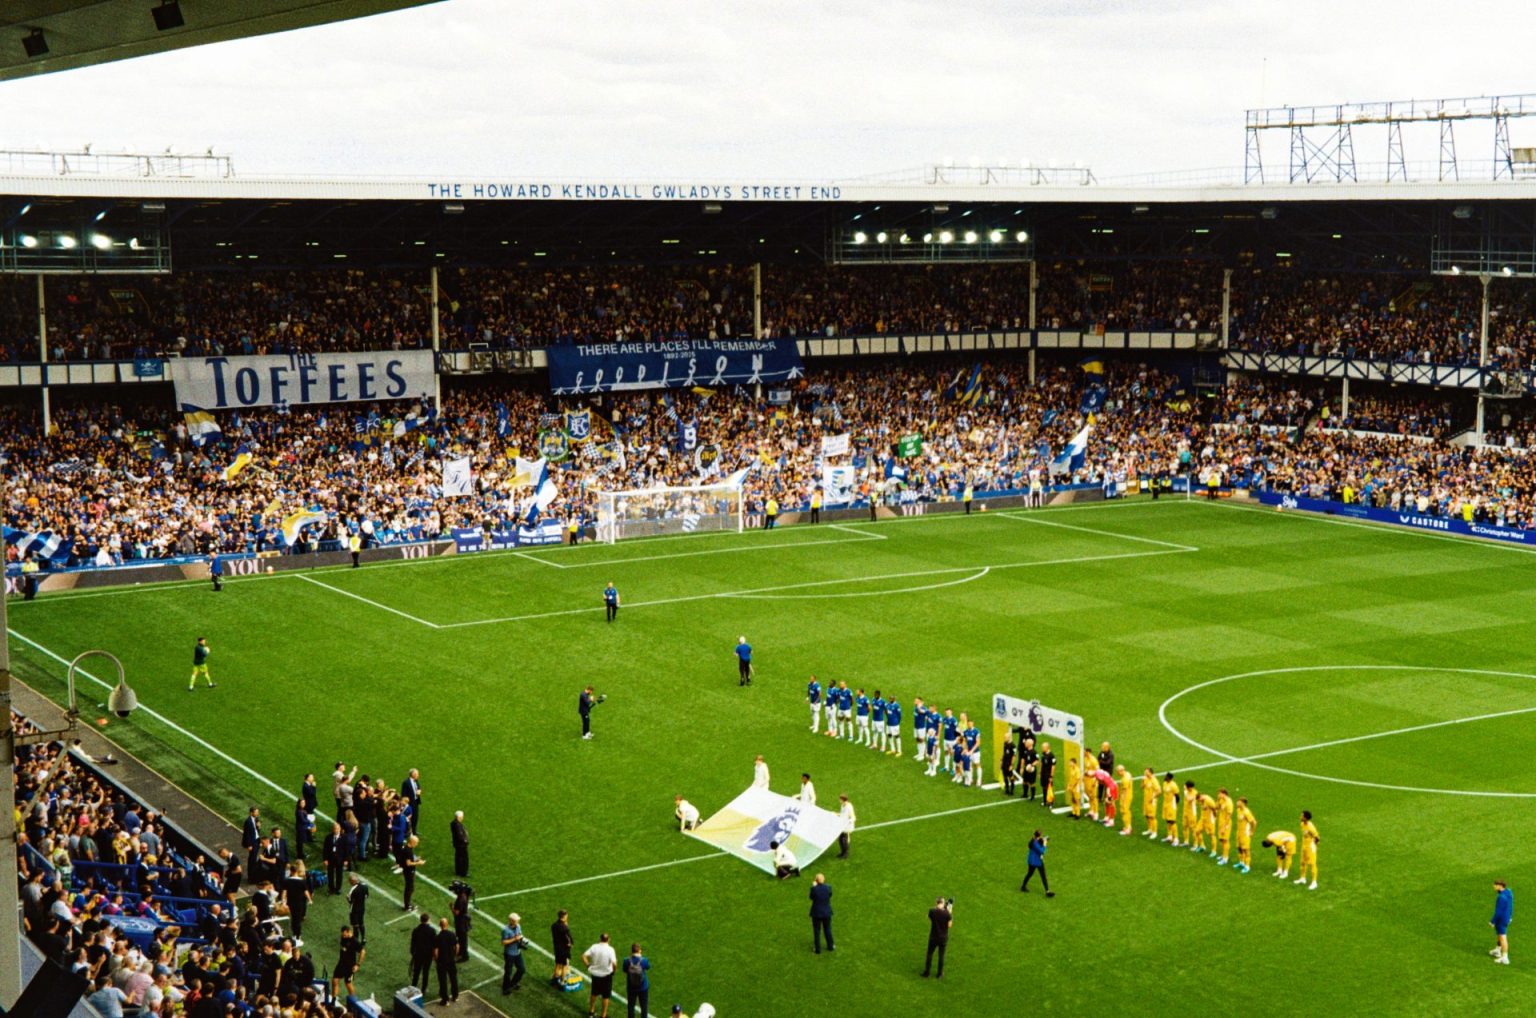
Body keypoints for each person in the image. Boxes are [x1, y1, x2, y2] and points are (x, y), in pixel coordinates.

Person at [583, 932, 618, 1018]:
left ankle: (591, 1011)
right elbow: (614, 963)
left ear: (600, 939)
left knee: (594, 993)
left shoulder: (594, 947)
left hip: (595, 975)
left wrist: (588, 965)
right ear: (608, 940)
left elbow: (583, 956)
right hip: (606, 976)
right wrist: (613, 971)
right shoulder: (610, 949)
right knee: (605, 996)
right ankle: (603, 1015)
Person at [922, 897, 952, 978]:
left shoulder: (932, 911)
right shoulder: (947, 914)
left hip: (933, 937)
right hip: (943, 937)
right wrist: (949, 912)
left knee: (929, 954)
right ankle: (939, 974)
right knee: (941, 956)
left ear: (936, 903)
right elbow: (949, 925)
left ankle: (927, 972)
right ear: (943, 903)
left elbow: (929, 917)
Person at [332, 925, 363, 999]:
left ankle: (354, 1001)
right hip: (341, 963)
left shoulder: (354, 941)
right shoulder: (343, 937)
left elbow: (363, 951)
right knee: (335, 980)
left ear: (349, 932)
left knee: (348, 983)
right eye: (342, 934)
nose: (343, 936)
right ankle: (333, 1001)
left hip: (350, 966)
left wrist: (358, 965)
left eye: (345, 934)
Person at [434, 916, 459, 1005]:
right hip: (451, 960)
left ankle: (445, 1000)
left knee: (443, 980)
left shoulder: (438, 937)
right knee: (453, 979)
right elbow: (457, 947)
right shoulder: (452, 934)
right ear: (447, 924)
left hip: (442, 962)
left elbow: (436, 951)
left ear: (440, 925)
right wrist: (454, 955)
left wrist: (436, 960)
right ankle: (455, 996)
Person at [1020, 830, 1053, 897]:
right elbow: (1042, 851)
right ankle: (1047, 891)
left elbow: (1041, 840)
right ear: (1039, 836)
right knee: (1043, 876)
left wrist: (1045, 839)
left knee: (1029, 874)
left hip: (1031, 861)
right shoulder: (1035, 843)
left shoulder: (1033, 840)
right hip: (1037, 861)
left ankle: (1023, 887)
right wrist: (1044, 844)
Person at [500, 912, 527, 993]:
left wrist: (522, 941)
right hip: (509, 954)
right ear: (511, 920)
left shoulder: (518, 926)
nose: (517, 922)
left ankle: (513, 983)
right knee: (508, 972)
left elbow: (520, 935)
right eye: (516, 920)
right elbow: (503, 942)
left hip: (517, 952)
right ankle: (505, 988)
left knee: (522, 969)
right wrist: (514, 939)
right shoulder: (505, 930)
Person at [409, 913, 436, 992]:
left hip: (418, 954)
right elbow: (434, 944)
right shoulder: (432, 931)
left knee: (416, 971)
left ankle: (413, 986)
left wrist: (412, 952)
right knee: (425, 972)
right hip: (427, 955)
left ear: (420, 920)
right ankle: (424, 989)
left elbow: (413, 943)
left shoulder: (416, 930)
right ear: (428, 920)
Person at [622, 943, 650, 1018]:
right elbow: (648, 967)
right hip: (643, 987)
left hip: (631, 987)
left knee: (631, 1006)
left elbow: (624, 970)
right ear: (639, 950)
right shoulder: (644, 960)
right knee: (644, 1007)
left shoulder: (626, 961)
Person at [809, 873, 834, 953]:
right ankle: (830, 946)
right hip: (827, 912)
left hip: (816, 913)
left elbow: (811, 897)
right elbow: (829, 895)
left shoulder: (814, 889)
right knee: (827, 929)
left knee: (817, 930)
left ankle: (817, 949)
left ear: (816, 880)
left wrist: (814, 886)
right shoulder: (828, 888)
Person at [1491, 880, 1514, 965]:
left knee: (1503, 937)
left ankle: (1505, 958)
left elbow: (1498, 912)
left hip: (1502, 919)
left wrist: (1492, 921)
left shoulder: (1501, 897)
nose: (1494, 887)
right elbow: (1511, 905)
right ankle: (1497, 950)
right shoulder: (1509, 892)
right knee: (1500, 935)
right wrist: (1510, 916)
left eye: (1495, 885)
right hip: (1507, 917)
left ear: (1500, 886)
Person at [1297, 810, 1320, 890]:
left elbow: (1317, 838)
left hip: (1310, 847)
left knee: (1312, 864)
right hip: (1304, 846)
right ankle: (1302, 878)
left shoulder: (1311, 827)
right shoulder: (1302, 824)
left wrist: (1314, 846)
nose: (1300, 817)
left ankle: (1314, 882)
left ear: (1305, 818)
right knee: (1302, 862)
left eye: (1302, 816)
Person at [550, 909, 574, 987]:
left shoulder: (554, 925)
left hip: (556, 947)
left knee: (557, 964)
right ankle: (562, 981)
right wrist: (570, 944)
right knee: (565, 965)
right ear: (564, 916)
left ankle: (554, 980)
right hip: (563, 949)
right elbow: (569, 940)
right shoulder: (564, 928)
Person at [1234, 797, 1256, 873]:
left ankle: (1247, 866)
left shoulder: (1247, 812)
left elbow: (1254, 822)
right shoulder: (1238, 810)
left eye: (1238, 802)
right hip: (1239, 832)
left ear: (1243, 803)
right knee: (1239, 848)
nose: (1237, 803)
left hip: (1245, 834)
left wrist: (1251, 831)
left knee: (1246, 850)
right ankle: (1241, 862)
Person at [400, 835, 422, 910]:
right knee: (409, 888)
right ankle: (407, 906)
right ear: (412, 842)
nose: (417, 844)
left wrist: (415, 859)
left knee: (410, 888)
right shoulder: (408, 851)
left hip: (407, 871)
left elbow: (408, 860)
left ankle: (408, 904)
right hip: (409, 871)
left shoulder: (407, 848)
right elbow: (408, 863)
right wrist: (418, 863)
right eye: (416, 843)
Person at [323, 822, 345, 894]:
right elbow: (325, 849)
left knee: (339, 874)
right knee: (330, 874)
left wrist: (346, 860)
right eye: (335, 829)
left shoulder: (344, 837)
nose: (336, 830)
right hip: (330, 859)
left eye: (337, 829)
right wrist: (325, 859)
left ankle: (338, 888)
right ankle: (331, 888)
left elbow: (346, 849)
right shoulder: (328, 837)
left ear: (340, 829)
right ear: (332, 829)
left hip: (340, 859)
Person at [347, 873, 369, 945]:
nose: (350, 883)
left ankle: (355, 941)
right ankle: (363, 938)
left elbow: (350, 901)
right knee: (361, 923)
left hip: (354, 910)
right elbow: (366, 896)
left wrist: (347, 897)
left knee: (355, 925)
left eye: (350, 881)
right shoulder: (365, 886)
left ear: (353, 881)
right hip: (362, 908)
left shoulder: (353, 889)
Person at [1214, 789, 1235, 865]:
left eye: (1219, 794)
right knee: (1222, 840)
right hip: (1221, 822)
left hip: (1226, 824)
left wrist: (1224, 827)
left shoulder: (1229, 803)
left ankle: (1225, 858)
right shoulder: (1222, 800)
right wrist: (1218, 800)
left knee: (1225, 840)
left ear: (1223, 794)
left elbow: (1229, 816)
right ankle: (1223, 855)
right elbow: (1216, 807)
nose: (1218, 795)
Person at [452, 885, 472, 961]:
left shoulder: (460, 899)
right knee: (461, 938)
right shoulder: (464, 895)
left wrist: (451, 907)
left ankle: (464, 955)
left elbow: (456, 913)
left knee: (462, 939)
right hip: (463, 920)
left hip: (461, 921)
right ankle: (460, 952)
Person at [1161, 773, 1181, 845]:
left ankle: (1176, 839)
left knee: (1172, 821)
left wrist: (1175, 804)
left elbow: (1177, 796)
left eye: (1166, 776)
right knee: (1167, 820)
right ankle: (1169, 836)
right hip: (1165, 804)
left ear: (1169, 778)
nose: (1164, 777)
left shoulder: (1174, 785)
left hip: (1171, 805)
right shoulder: (1164, 783)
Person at [1141, 768, 1160, 839]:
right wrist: (1142, 781)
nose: (1145, 773)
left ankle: (1155, 832)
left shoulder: (1154, 781)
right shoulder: (1145, 779)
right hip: (1146, 800)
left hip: (1152, 802)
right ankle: (1150, 829)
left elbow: (1159, 791)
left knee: (1152, 816)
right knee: (1147, 815)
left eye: (1146, 772)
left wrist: (1153, 798)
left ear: (1150, 773)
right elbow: (1142, 787)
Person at [402, 768, 422, 833]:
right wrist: (405, 804)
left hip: (416, 802)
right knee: (408, 818)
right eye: (417, 774)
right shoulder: (406, 782)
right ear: (413, 774)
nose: (418, 775)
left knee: (415, 817)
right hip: (409, 804)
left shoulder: (416, 781)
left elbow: (418, 788)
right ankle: (406, 832)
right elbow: (403, 794)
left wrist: (419, 792)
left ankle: (414, 831)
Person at [1116, 765, 1135, 835]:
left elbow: (1125, 790)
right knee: (1127, 811)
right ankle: (1129, 827)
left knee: (1124, 811)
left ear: (1121, 771)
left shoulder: (1125, 779)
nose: (1117, 773)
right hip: (1129, 795)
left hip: (1126, 797)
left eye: (1117, 772)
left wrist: (1122, 799)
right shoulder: (1128, 774)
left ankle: (1127, 828)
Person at [451, 811, 470, 877]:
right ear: (459, 817)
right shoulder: (458, 825)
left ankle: (458, 871)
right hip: (461, 845)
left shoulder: (453, 823)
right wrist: (465, 840)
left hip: (457, 844)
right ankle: (463, 872)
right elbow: (460, 835)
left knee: (458, 857)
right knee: (464, 858)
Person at [1038, 740, 1055, 807]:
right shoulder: (1043, 754)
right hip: (1043, 774)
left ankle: (1051, 802)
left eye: (1043, 747)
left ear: (1047, 747)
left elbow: (1053, 767)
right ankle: (1045, 801)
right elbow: (1041, 763)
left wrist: (1051, 776)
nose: (1042, 748)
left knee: (1049, 788)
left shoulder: (1051, 756)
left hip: (1048, 775)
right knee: (1044, 787)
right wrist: (1040, 772)